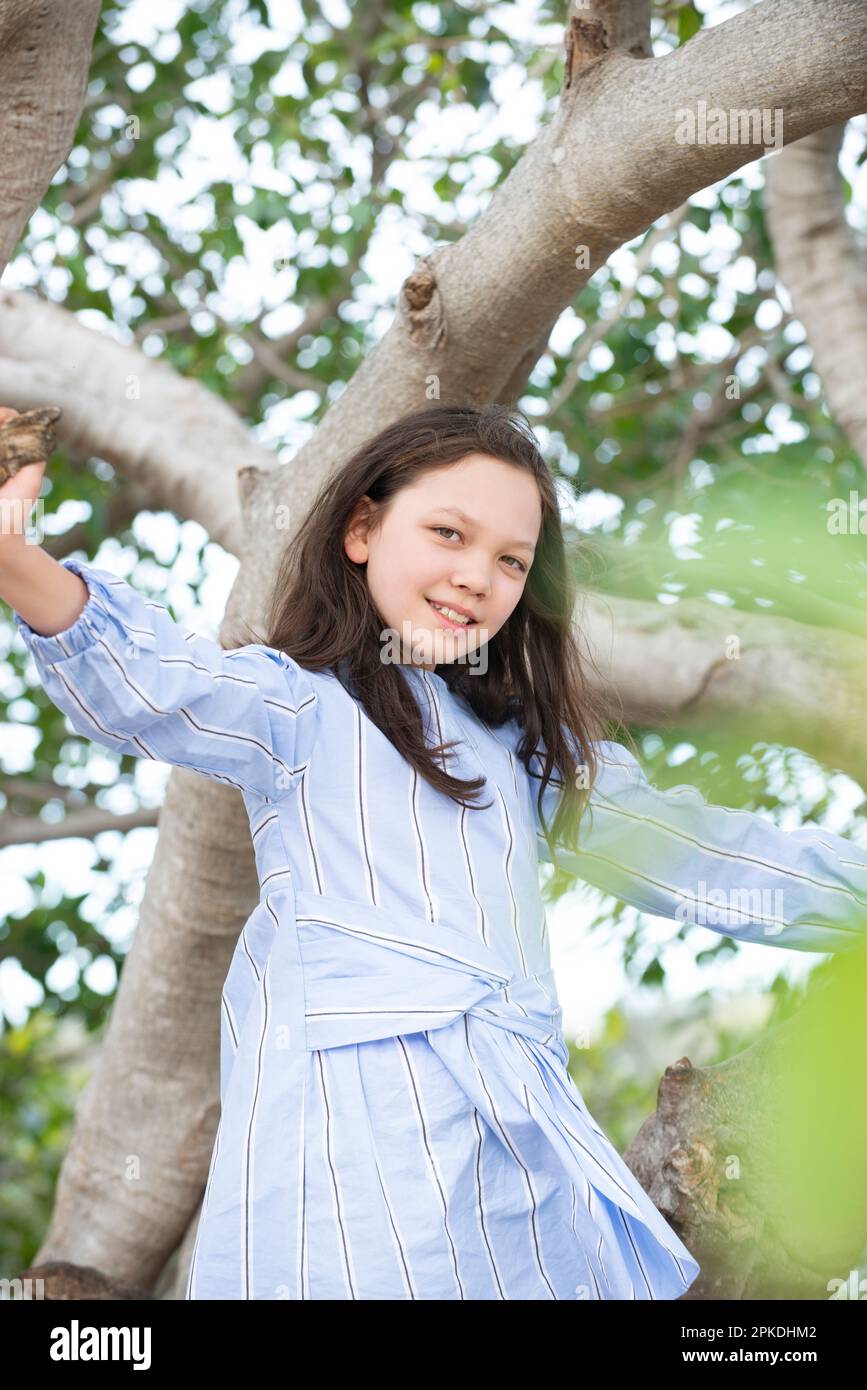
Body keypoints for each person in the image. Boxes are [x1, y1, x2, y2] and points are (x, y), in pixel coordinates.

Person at [2, 400, 867, 1301]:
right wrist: (13, 554)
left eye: (509, 562)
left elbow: (702, 857)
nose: (475, 578)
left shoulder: (524, 759)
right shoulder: (298, 710)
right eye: (448, 533)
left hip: (513, 1152)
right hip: (348, 1155)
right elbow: (153, 682)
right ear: (362, 529)